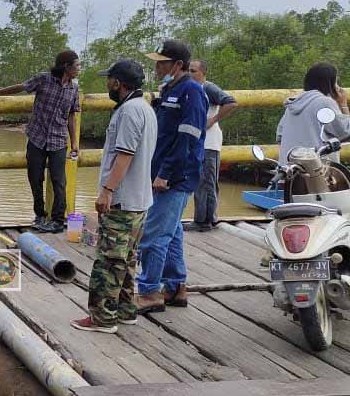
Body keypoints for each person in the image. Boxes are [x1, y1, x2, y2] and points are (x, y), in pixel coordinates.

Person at [71, 60, 156, 333]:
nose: (107, 84)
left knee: (108, 262)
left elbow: (125, 155)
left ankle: (102, 318)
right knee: (128, 259)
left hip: (122, 200)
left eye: (110, 80)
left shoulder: (129, 112)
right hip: (140, 200)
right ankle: (124, 310)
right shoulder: (145, 108)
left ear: (119, 83)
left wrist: (107, 190)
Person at [137, 40, 207, 314]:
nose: (157, 67)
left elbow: (188, 138)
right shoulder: (170, 89)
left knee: (154, 234)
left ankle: (149, 291)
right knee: (173, 230)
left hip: (176, 175)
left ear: (178, 65)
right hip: (162, 171)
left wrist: (166, 173)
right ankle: (176, 286)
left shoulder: (191, 91)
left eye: (162, 62)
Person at [0, 50, 82, 233]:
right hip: (37, 137)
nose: (79, 69)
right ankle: (40, 215)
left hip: (58, 140)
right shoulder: (44, 79)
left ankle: (58, 221)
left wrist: (75, 143)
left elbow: (72, 117)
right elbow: (21, 87)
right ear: (65, 67)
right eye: (77, 66)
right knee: (35, 179)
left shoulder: (74, 89)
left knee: (59, 181)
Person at [186, 60, 238, 232]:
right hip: (197, 143)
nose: (190, 74)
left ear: (203, 73)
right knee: (198, 181)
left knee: (207, 182)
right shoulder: (191, 90)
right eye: (188, 70)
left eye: (193, 71)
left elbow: (231, 102)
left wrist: (213, 120)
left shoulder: (208, 88)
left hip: (209, 143)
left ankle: (206, 220)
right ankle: (200, 218)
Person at [277, 62, 350, 165]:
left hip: (289, 170)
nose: (338, 87)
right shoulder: (324, 102)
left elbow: (279, 137)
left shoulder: (293, 104)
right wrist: (343, 104)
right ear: (328, 83)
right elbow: (345, 131)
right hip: (316, 172)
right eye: (336, 82)